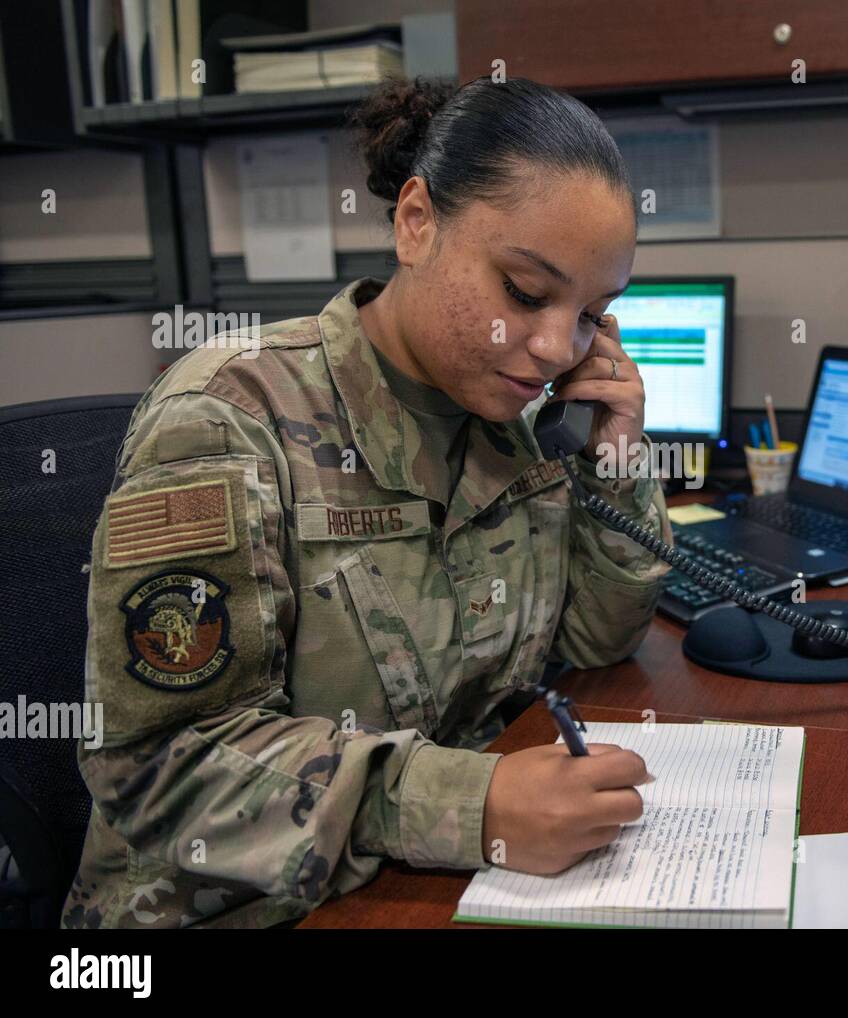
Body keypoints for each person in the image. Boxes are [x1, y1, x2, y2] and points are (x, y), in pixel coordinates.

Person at [61, 76, 671, 929]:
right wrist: (474, 805)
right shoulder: (227, 418)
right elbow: (160, 759)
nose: (550, 348)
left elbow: (598, 640)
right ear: (416, 221)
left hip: (427, 888)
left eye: (591, 317)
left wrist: (615, 455)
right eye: (528, 294)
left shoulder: (523, 425)